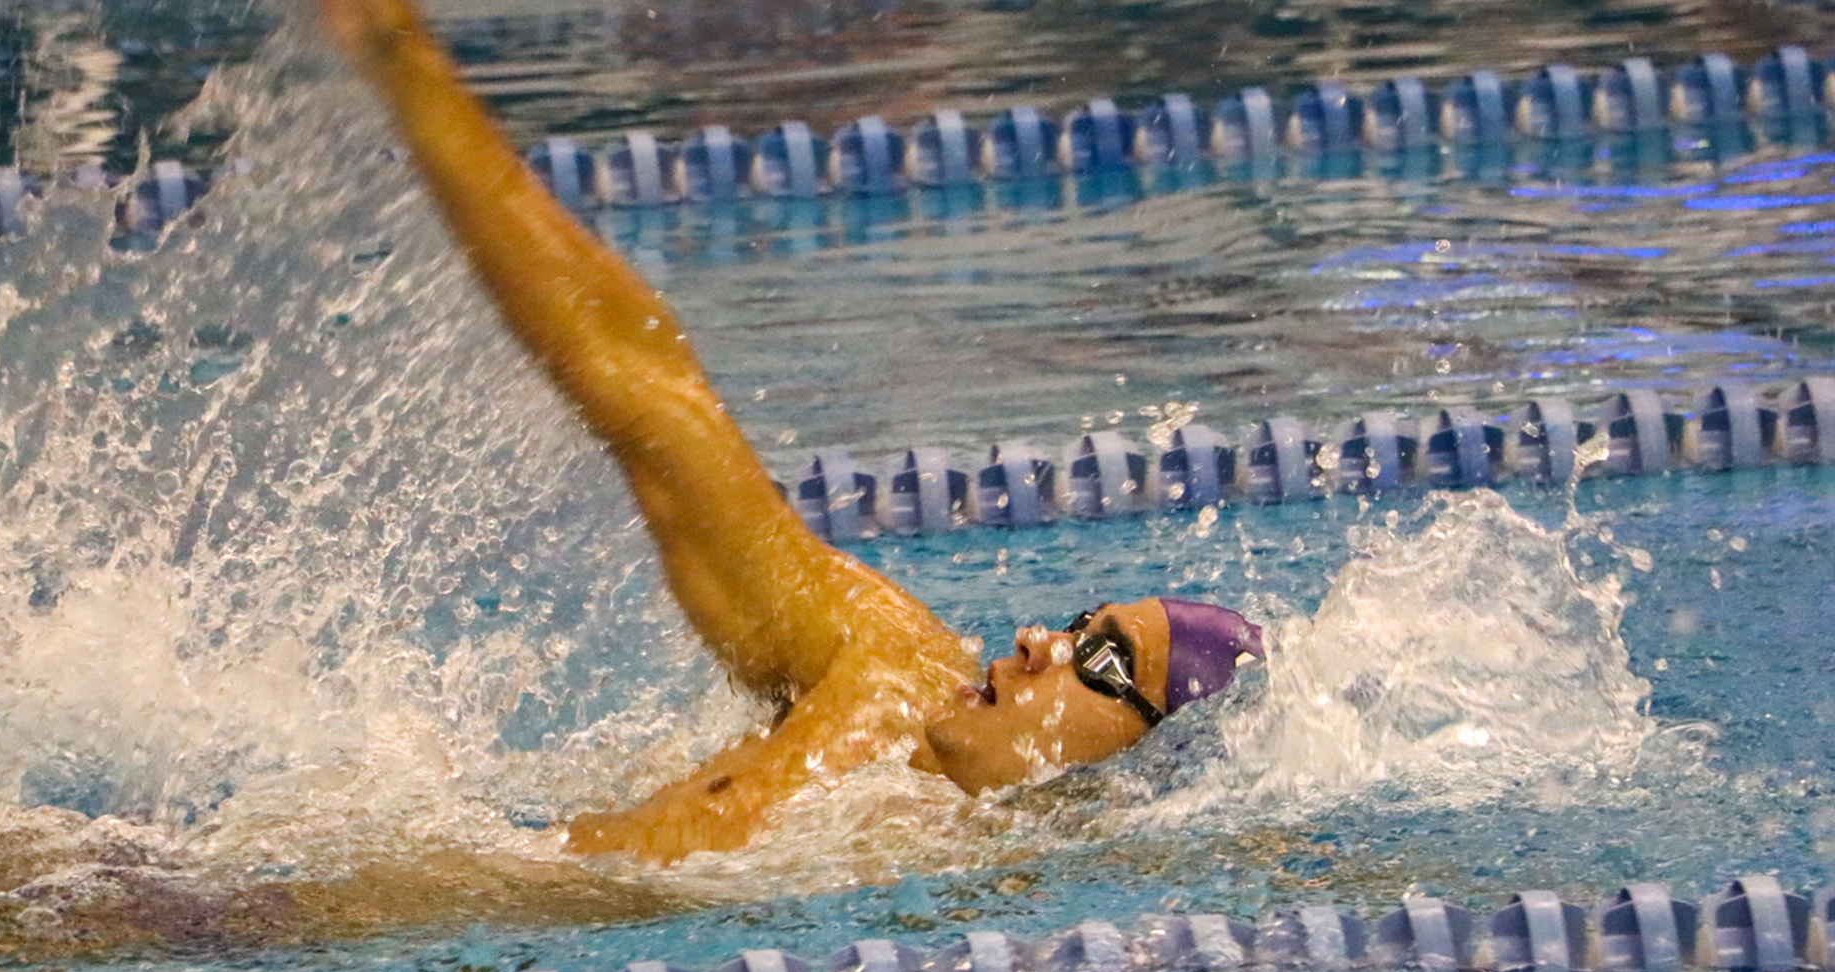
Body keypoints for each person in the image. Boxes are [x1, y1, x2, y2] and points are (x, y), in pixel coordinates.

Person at [317, 0, 1264, 864]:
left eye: (1098, 661)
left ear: (1147, 764)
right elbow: (652, 394)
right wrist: (403, 56)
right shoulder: (889, 671)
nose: (1031, 641)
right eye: (1073, 628)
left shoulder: (981, 904)